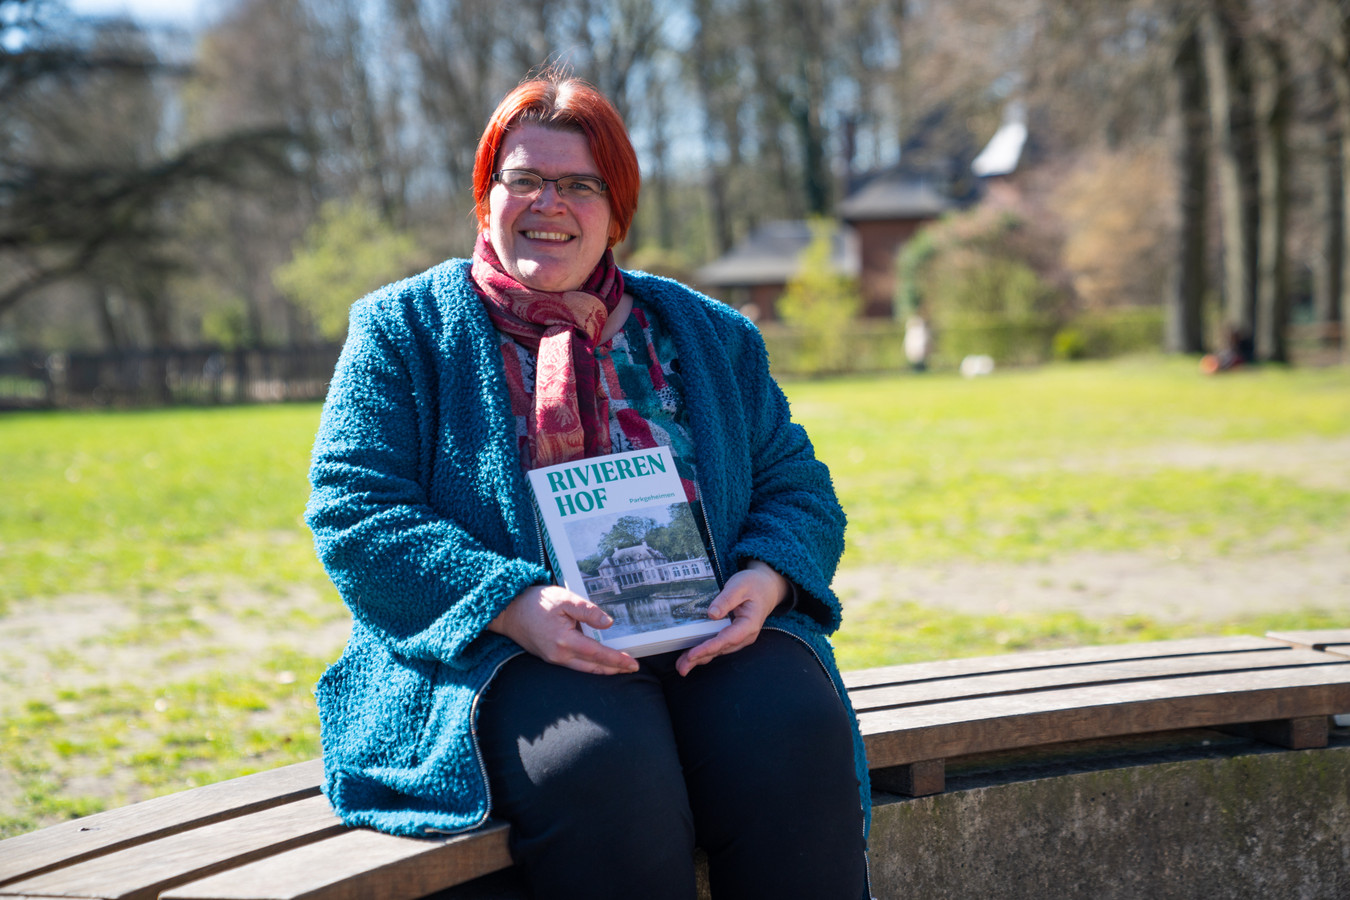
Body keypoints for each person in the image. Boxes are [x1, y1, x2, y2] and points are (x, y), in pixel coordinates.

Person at [306, 73, 871, 900]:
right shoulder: (403, 329)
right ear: (485, 198)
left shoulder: (711, 334)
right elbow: (356, 512)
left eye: (579, 184)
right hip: (505, 650)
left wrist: (770, 573)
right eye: (524, 179)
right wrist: (510, 604)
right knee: (604, 765)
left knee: (791, 728)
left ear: (618, 210)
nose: (550, 203)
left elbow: (797, 484)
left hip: (706, 631)